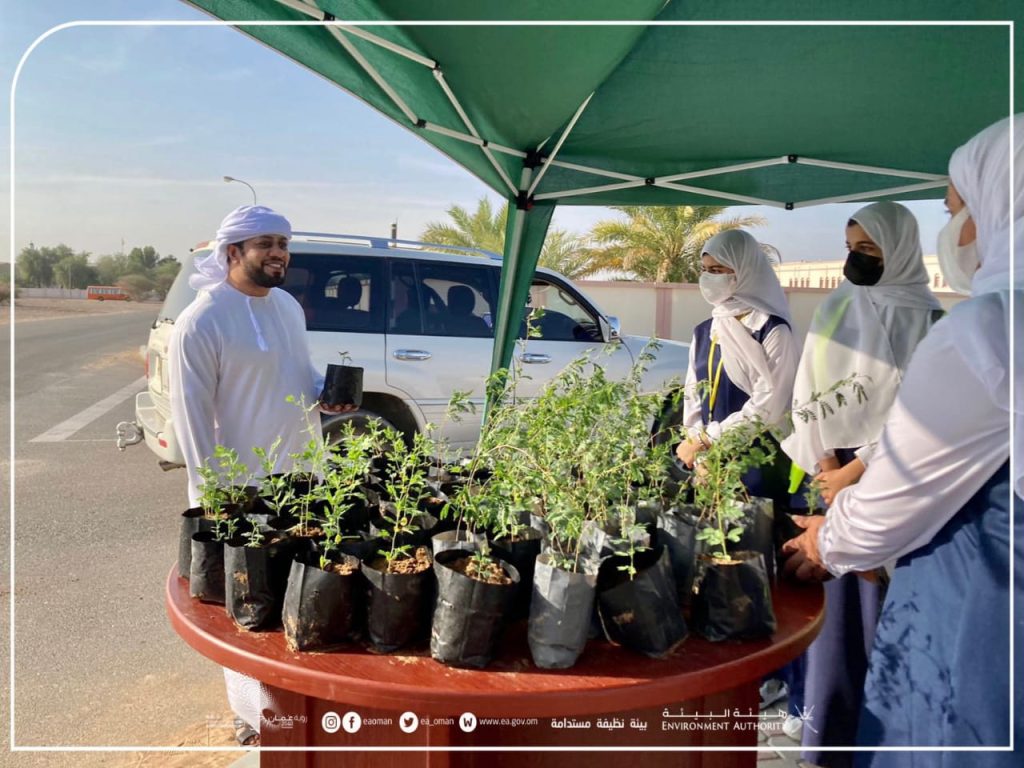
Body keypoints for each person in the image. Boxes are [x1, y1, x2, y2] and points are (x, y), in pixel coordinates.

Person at [782, 114, 1023, 765]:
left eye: (958, 208)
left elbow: (910, 475)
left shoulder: (986, 329)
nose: (957, 231)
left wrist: (829, 536)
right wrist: (827, 463)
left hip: (985, 605)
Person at [168, 204, 350, 746]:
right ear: (233, 252)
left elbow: (295, 370)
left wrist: (324, 392)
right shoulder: (200, 321)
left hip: (303, 478)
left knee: (298, 595)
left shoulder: (288, 306)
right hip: (241, 493)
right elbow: (192, 420)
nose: (279, 254)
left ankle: (298, 705)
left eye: (283, 244)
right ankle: (253, 718)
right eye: (266, 243)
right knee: (247, 607)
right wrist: (213, 500)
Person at [779, 201, 943, 766]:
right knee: (836, 618)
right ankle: (826, 739)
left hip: (899, 476)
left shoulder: (931, 321)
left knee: (888, 615)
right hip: (831, 477)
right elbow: (808, 391)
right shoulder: (833, 310)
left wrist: (861, 468)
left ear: (897, 250)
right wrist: (829, 467)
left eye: (869, 251)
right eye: (850, 248)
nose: (856, 260)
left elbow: (927, 411)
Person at [675, 228, 798, 504]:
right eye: (705, 270)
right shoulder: (706, 329)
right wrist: (700, 449)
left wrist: (709, 440)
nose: (708, 278)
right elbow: (693, 395)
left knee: (753, 537)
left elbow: (770, 405)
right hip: (709, 460)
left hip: (758, 459)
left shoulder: (772, 330)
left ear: (744, 270)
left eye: (718, 269)